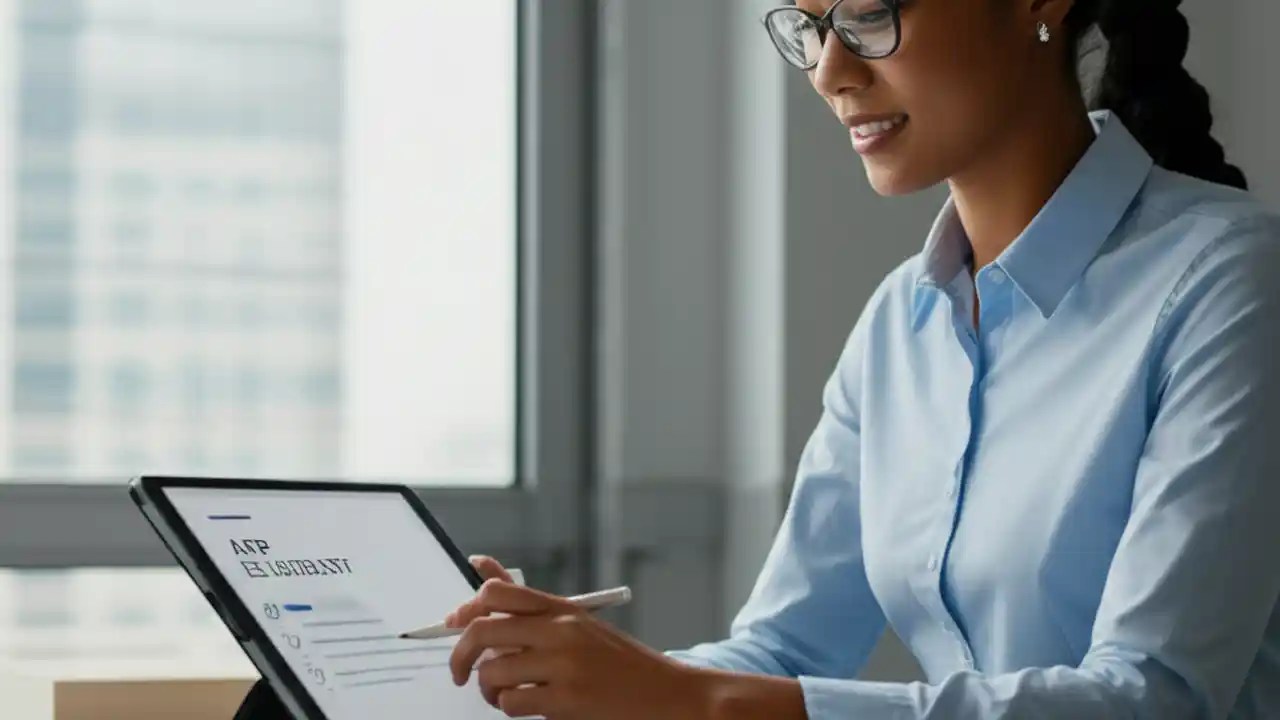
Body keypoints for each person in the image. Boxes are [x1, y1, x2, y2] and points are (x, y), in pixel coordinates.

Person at [444, 0, 1280, 717]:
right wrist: (577, 669)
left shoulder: (1229, 281)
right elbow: (781, 649)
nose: (828, 71)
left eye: (872, 16)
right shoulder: (900, 323)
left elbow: (1149, 698)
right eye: (809, 28)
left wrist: (683, 699)